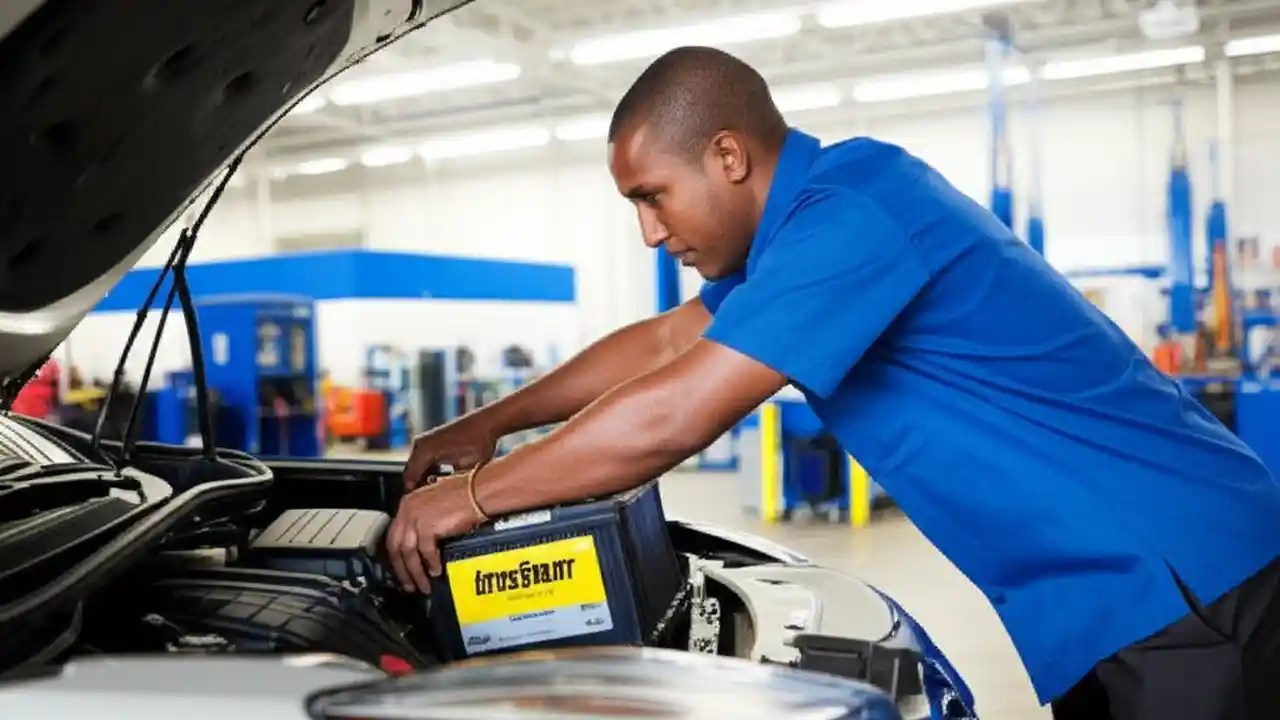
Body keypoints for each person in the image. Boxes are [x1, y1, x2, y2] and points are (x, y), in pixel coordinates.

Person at [386, 46, 1280, 719]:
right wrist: (492, 421)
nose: (651, 235)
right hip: (1104, 597)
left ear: (728, 157)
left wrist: (473, 496)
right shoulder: (796, 239)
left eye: (653, 196)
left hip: (1184, 582)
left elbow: (681, 411)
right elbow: (667, 343)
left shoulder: (854, 213)